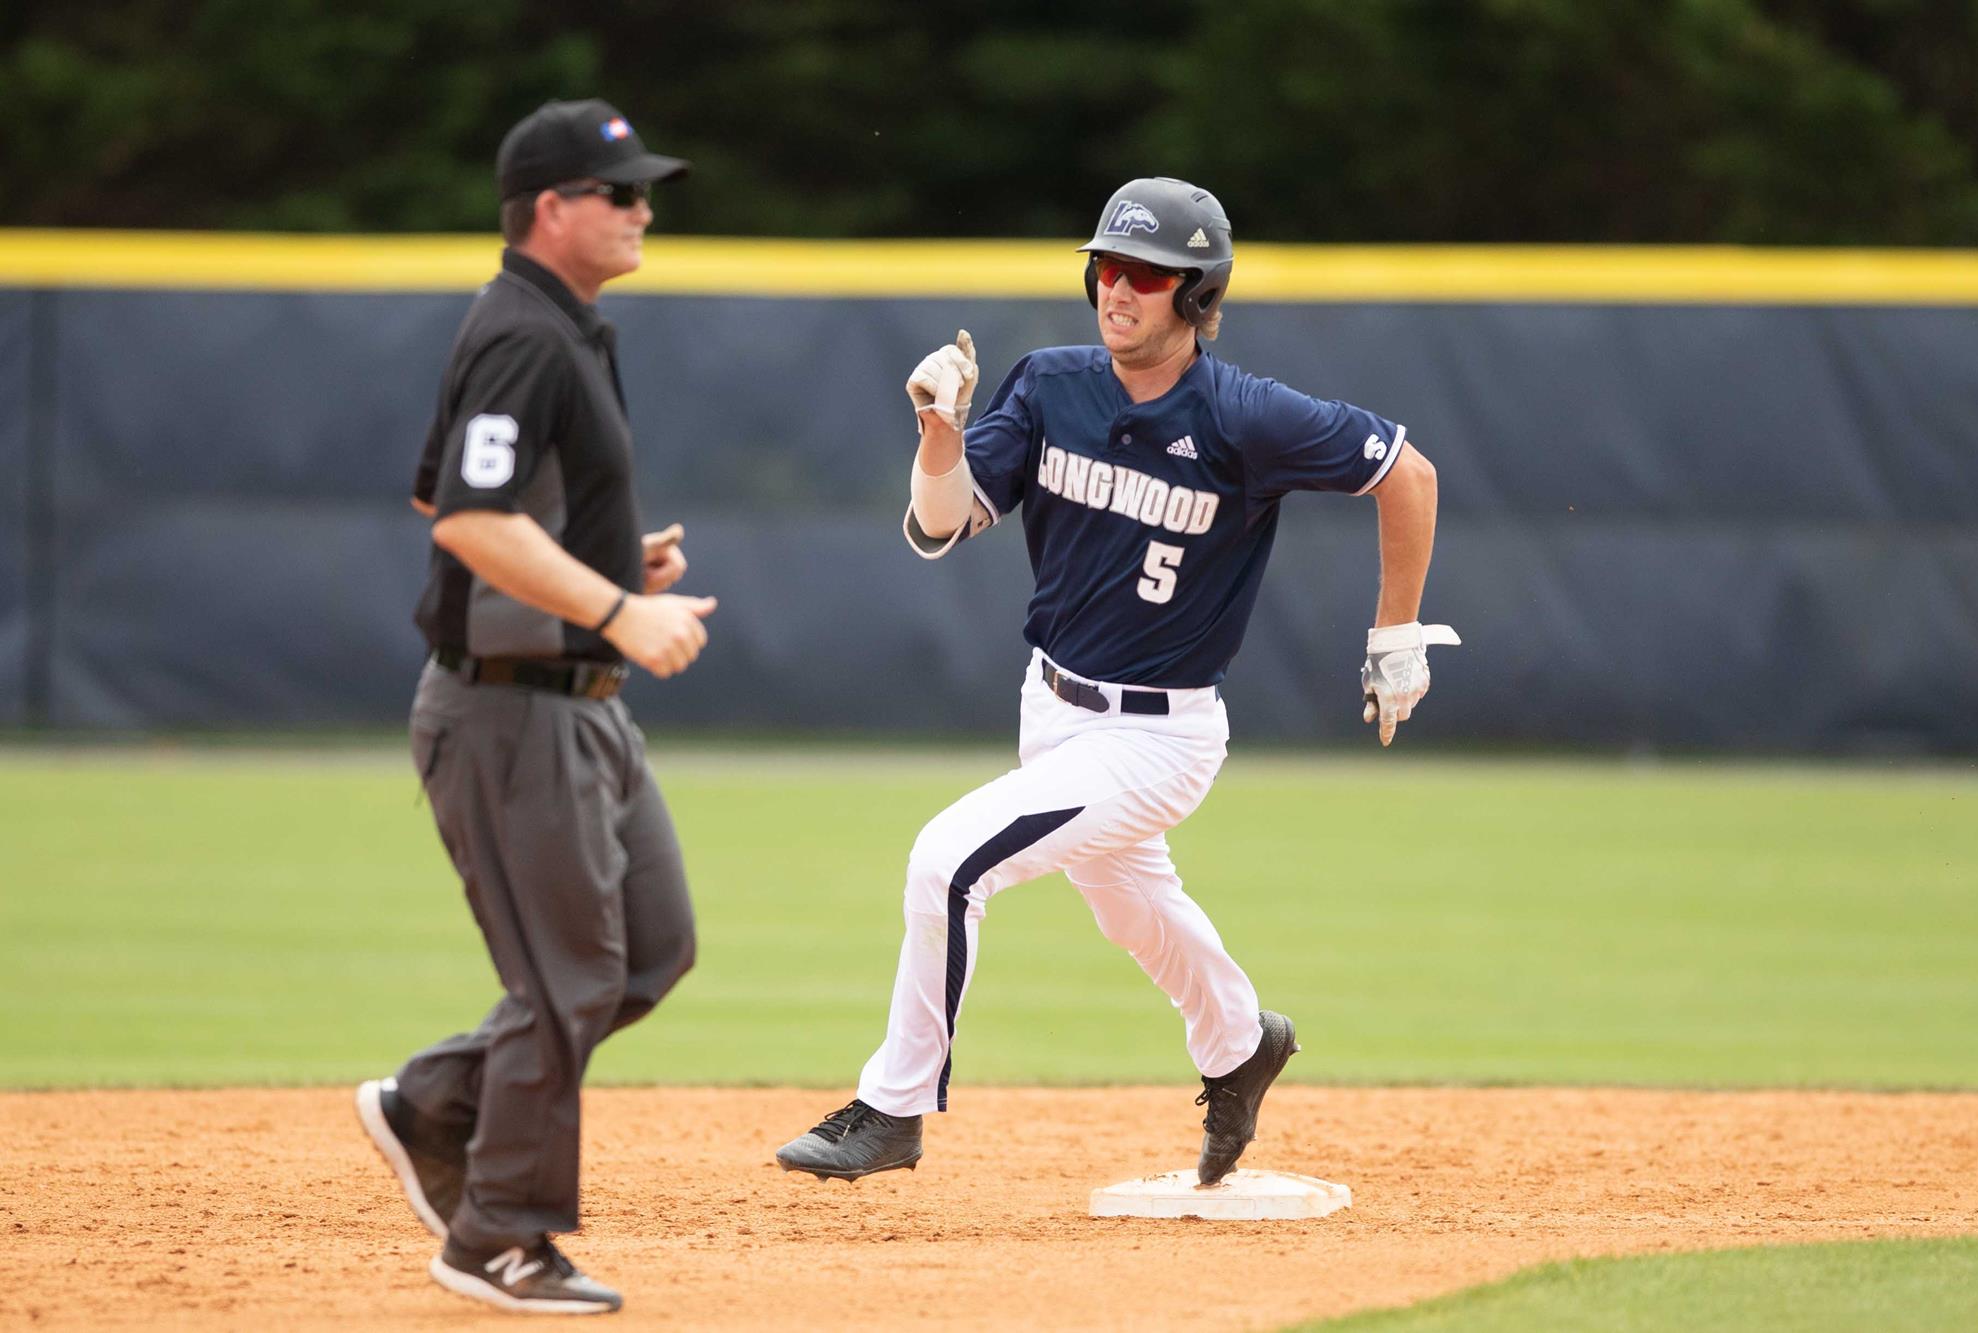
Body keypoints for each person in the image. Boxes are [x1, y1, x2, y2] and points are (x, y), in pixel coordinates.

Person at [774, 177, 1456, 1186]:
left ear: (1195, 293)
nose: (1117, 288)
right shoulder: (1051, 385)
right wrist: (937, 431)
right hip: (1049, 704)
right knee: (1127, 897)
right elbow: (936, 527)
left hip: (1158, 736)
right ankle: (1239, 1043)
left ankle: (893, 1106)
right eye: (1105, 267)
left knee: (946, 861)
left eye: (1145, 272)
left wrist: (1393, 630)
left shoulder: (1243, 415)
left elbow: (1407, 473)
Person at [353, 98, 717, 1316]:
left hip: (576, 704)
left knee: (651, 950)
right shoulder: (524, 333)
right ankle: (496, 1236)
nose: (642, 210)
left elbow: (440, 496)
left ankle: (433, 1102)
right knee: (567, 978)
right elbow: (463, 517)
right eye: (620, 193)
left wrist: (608, 570)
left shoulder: (566, 329)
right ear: (550, 209)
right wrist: (613, 612)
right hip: (508, 709)